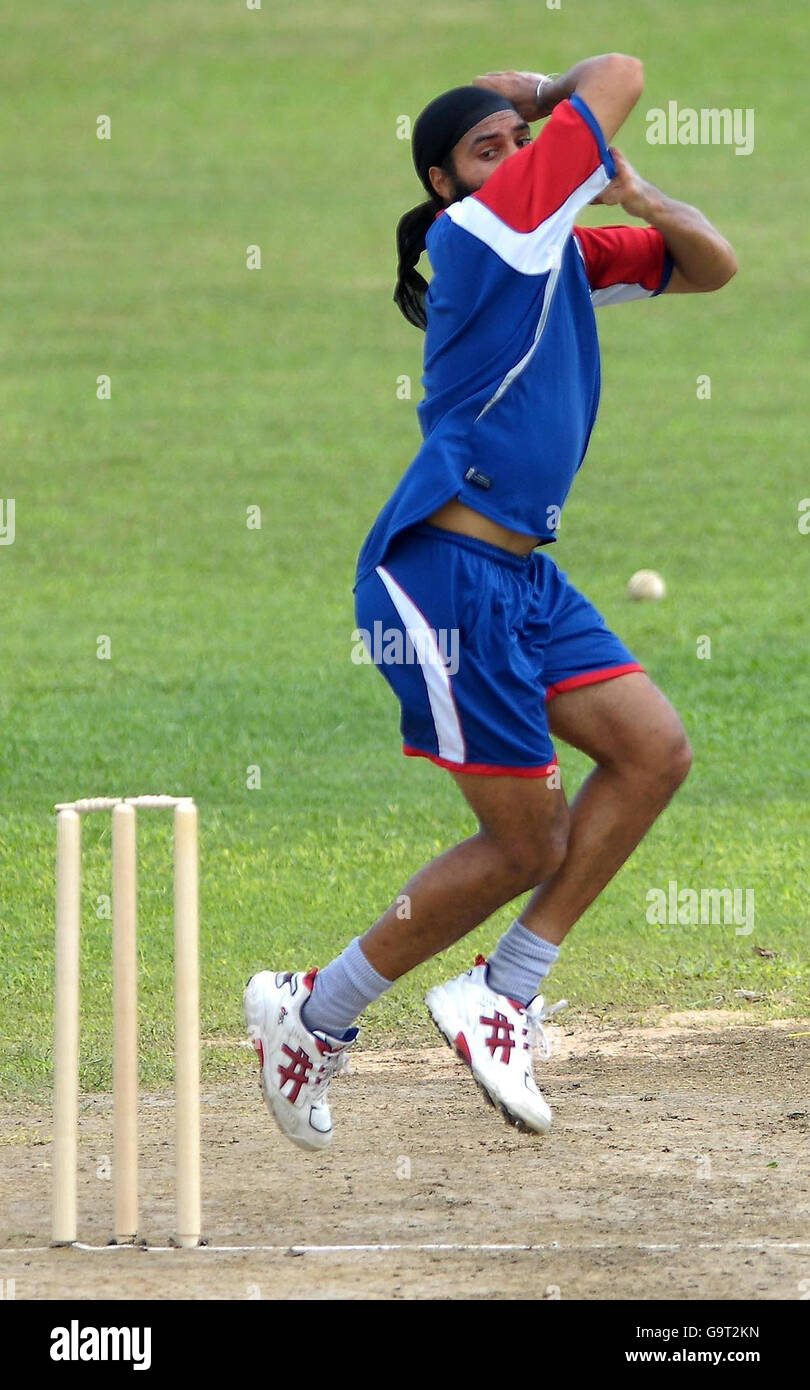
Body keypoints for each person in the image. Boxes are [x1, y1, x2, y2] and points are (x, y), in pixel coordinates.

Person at [244, 55, 737, 1149]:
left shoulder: (551, 243)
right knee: (525, 841)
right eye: (491, 145)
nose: (519, 154)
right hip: (443, 575)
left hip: (525, 575)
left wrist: (642, 196)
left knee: (653, 748)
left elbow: (711, 267)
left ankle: (504, 993)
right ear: (445, 185)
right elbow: (621, 69)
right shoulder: (486, 234)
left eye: (524, 143)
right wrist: (554, 89)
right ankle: (312, 1014)